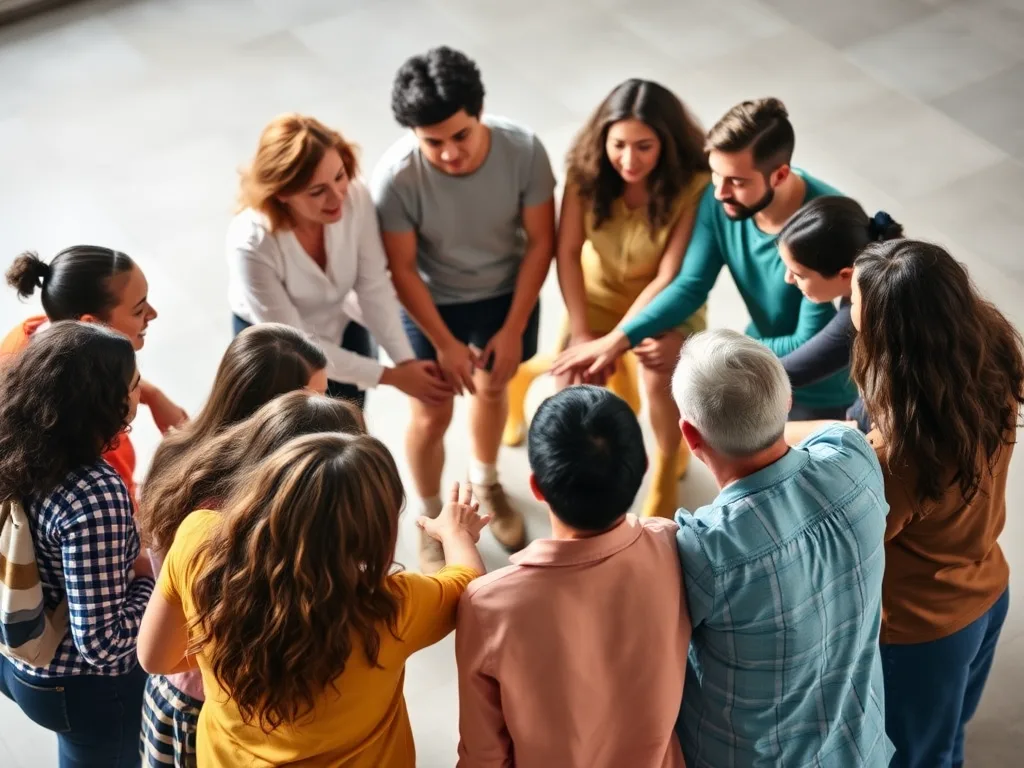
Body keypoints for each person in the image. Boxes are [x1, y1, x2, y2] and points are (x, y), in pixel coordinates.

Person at [137, 433, 488, 767]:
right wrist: (456, 533)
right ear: (371, 532)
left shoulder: (198, 541)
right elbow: (468, 584)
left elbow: (155, 658)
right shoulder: (390, 605)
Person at [553, 98, 858, 420]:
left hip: (820, 389)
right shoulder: (723, 202)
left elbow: (808, 341)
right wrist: (618, 340)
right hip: (761, 367)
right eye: (716, 175)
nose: (720, 193)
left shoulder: (825, 223)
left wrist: (701, 350)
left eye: (737, 182)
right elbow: (691, 284)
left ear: (780, 175)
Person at [671, 329, 892, 766]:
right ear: (787, 402)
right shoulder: (852, 458)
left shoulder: (705, 548)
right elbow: (828, 434)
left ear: (690, 436)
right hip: (859, 748)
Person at [372, 45, 556, 571]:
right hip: (431, 298)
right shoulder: (396, 177)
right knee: (431, 412)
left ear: (480, 115)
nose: (450, 153)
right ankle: (431, 517)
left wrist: (514, 326)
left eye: (460, 136)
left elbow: (541, 242)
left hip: (505, 290)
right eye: (433, 143)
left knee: (494, 386)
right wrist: (448, 344)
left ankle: (487, 482)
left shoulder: (524, 150)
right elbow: (402, 270)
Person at [135, 326, 353, 768]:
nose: (325, 412)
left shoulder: (175, 452)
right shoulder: (246, 507)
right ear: (275, 412)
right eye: (313, 399)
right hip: (213, 703)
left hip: (176, 690)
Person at [850, 240, 1022, 768]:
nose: (847, 308)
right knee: (946, 739)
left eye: (853, 300)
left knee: (915, 757)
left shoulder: (901, 455)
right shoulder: (989, 363)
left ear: (889, 330)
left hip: (920, 632)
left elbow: (858, 545)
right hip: (987, 589)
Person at [504, 79, 710, 519]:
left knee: (660, 375)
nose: (629, 160)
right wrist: (582, 332)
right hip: (596, 296)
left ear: (667, 144)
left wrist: (618, 339)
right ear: (604, 139)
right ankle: (526, 376)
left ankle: (664, 466)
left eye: (644, 146)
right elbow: (567, 253)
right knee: (572, 380)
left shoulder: (694, 183)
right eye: (619, 145)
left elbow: (671, 275)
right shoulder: (585, 172)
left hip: (663, 301)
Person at [456, 386, 689, 767]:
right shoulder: (670, 544)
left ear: (536, 487)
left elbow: (483, 756)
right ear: (643, 467)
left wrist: (459, 543)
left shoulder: (488, 604)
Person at [0, 321, 154, 767]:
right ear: (105, 402)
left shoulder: (16, 442)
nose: (141, 393)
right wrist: (148, 577)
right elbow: (103, 644)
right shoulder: (92, 490)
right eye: (136, 385)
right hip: (80, 687)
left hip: (19, 655)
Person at [228, 113, 450, 410]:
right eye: (317, 191)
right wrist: (392, 376)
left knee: (350, 416)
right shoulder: (251, 243)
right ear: (282, 193)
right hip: (278, 346)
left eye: (340, 176)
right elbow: (296, 344)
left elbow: (373, 286)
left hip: (339, 319)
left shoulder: (355, 196)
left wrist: (406, 363)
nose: (337, 197)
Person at [3, 246, 186, 502]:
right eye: (138, 310)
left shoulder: (29, 336)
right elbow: (124, 505)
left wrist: (152, 394)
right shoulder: (93, 420)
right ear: (91, 325)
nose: (152, 314)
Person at [774, 196, 902, 443]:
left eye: (798, 273)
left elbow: (786, 372)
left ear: (846, 274)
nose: (788, 279)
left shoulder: (863, 316)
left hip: (876, 431)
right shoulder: (884, 277)